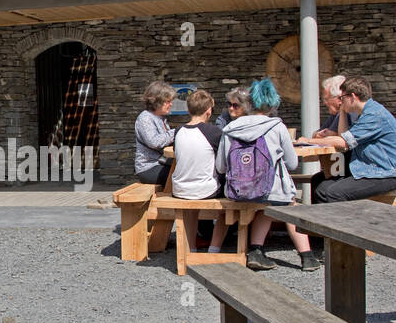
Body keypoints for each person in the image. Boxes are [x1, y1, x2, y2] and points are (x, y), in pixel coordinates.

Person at [216, 79, 320, 271]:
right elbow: (292, 163)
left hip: (237, 191)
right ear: (273, 103)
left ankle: (256, 251)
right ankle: (307, 256)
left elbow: (221, 167)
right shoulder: (276, 126)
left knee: (266, 204)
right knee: (287, 203)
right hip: (270, 190)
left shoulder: (230, 129)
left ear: (249, 103)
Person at [310, 76, 396, 202]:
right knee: (319, 184)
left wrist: (308, 141)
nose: (340, 101)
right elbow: (343, 136)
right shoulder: (365, 113)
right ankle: (317, 221)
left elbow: (343, 142)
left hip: (386, 174)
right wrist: (343, 111)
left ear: (352, 97)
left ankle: (345, 222)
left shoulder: (374, 115)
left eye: (342, 98)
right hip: (368, 170)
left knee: (332, 193)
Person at [171, 88, 229, 254]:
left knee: (190, 207)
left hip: (180, 189)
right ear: (209, 111)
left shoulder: (178, 132)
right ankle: (214, 247)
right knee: (231, 200)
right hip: (206, 189)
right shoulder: (214, 132)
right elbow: (223, 163)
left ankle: (191, 248)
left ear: (189, 110)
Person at [134, 80, 177, 185]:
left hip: (162, 164)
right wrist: (177, 132)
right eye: (168, 101)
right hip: (149, 168)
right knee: (183, 175)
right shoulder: (145, 118)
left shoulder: (160, 118)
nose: (171, 104)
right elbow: (154, 142)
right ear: (156, 101)